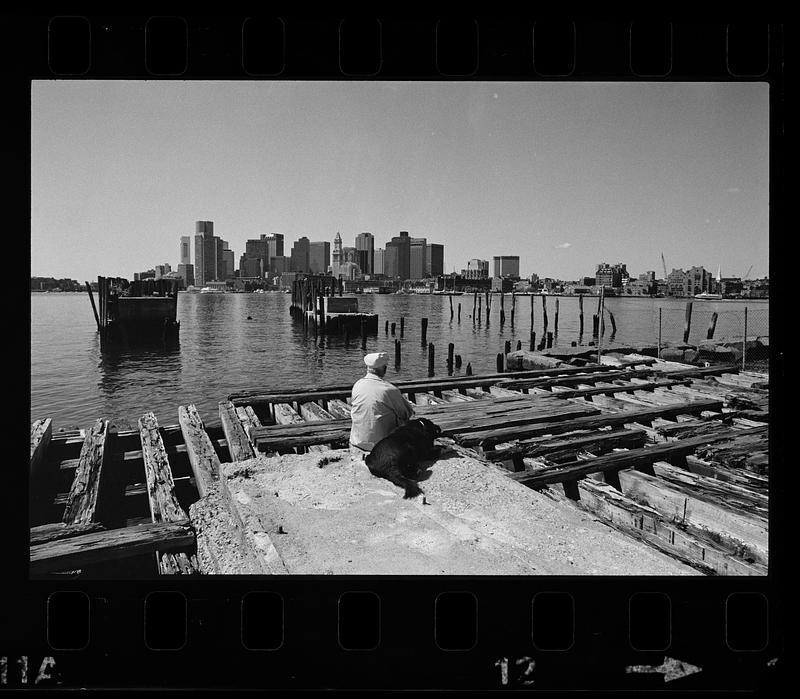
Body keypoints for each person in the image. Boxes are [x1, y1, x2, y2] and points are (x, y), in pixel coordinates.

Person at [349, 351, 415, 458]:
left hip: (357, 440)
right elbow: (406, 414)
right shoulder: (389, 389)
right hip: (382, 444)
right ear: (384, 369)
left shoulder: (357, 385)